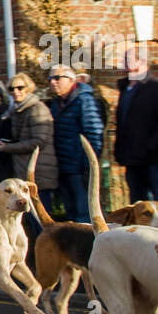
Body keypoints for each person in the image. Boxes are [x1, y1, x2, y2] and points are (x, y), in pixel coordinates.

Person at [114, 46, 158, 218]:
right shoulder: (125, 89)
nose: (123, 64)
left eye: (128, 59)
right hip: (132, 160)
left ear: (141, 61)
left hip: (154, 159)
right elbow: (122, 124)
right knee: (138, 205)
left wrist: (150, 146)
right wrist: (120, 151)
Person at [48, 66, 104, 223]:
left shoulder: (84, 100)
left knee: (84, 214)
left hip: (80, 168)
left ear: (71, 79)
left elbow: (94, 132)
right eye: (50, 79)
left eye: (57, 78)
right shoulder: (56, 103)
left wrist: (89, 166)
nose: (53, 82)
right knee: (71, 214)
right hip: (63, 166)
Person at [0, 73, 58, 222]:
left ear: (29, 88)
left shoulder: (37, 109)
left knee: (41, 218)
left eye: (20, 87)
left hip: (39, 172)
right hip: (24, 171)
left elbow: (39, 141)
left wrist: (8, 147)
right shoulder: (18, 110)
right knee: (30, 219)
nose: (16, 91)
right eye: (12, 89)